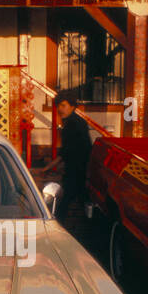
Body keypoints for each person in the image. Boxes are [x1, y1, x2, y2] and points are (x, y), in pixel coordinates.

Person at [49, 90, 90, 220]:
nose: (60, 109)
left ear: (72, 106)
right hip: (79, 167)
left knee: (67, 199)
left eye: (63, 105)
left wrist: (49, 167)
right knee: (78, 197)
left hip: (77, 168)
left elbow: (67, 151)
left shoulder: (73, 124)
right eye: (58, 106)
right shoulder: (76, 122)